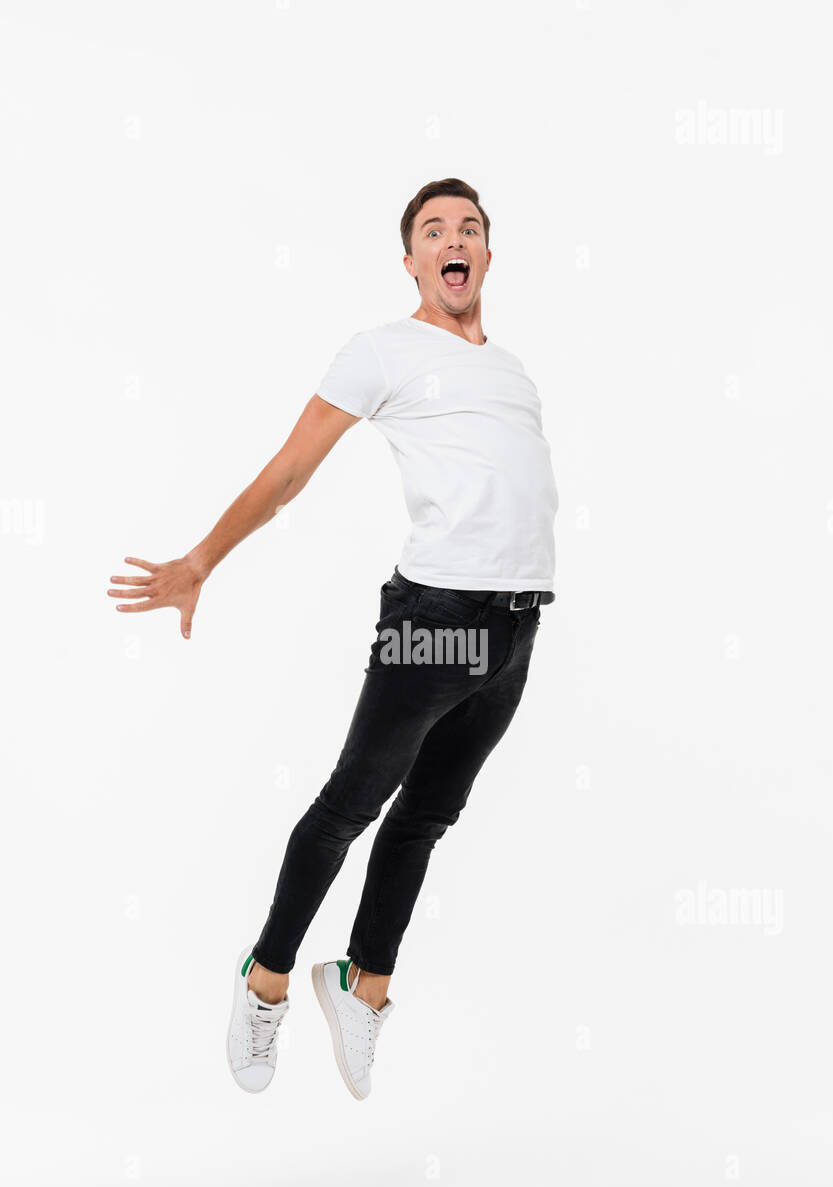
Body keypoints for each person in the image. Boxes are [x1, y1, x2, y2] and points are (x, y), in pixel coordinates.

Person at [108, 177, 558, 1101]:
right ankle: (266, 976)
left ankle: (362, 984)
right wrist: (201, 561)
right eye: (433, 230)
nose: (453, 239)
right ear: (411, 261)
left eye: (468, 228)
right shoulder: (382, 351)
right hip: (435, 623)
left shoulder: (511, 369)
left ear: (487, 253)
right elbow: (287, 475)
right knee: (351, 804)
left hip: (517, 628)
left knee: (430, 816)